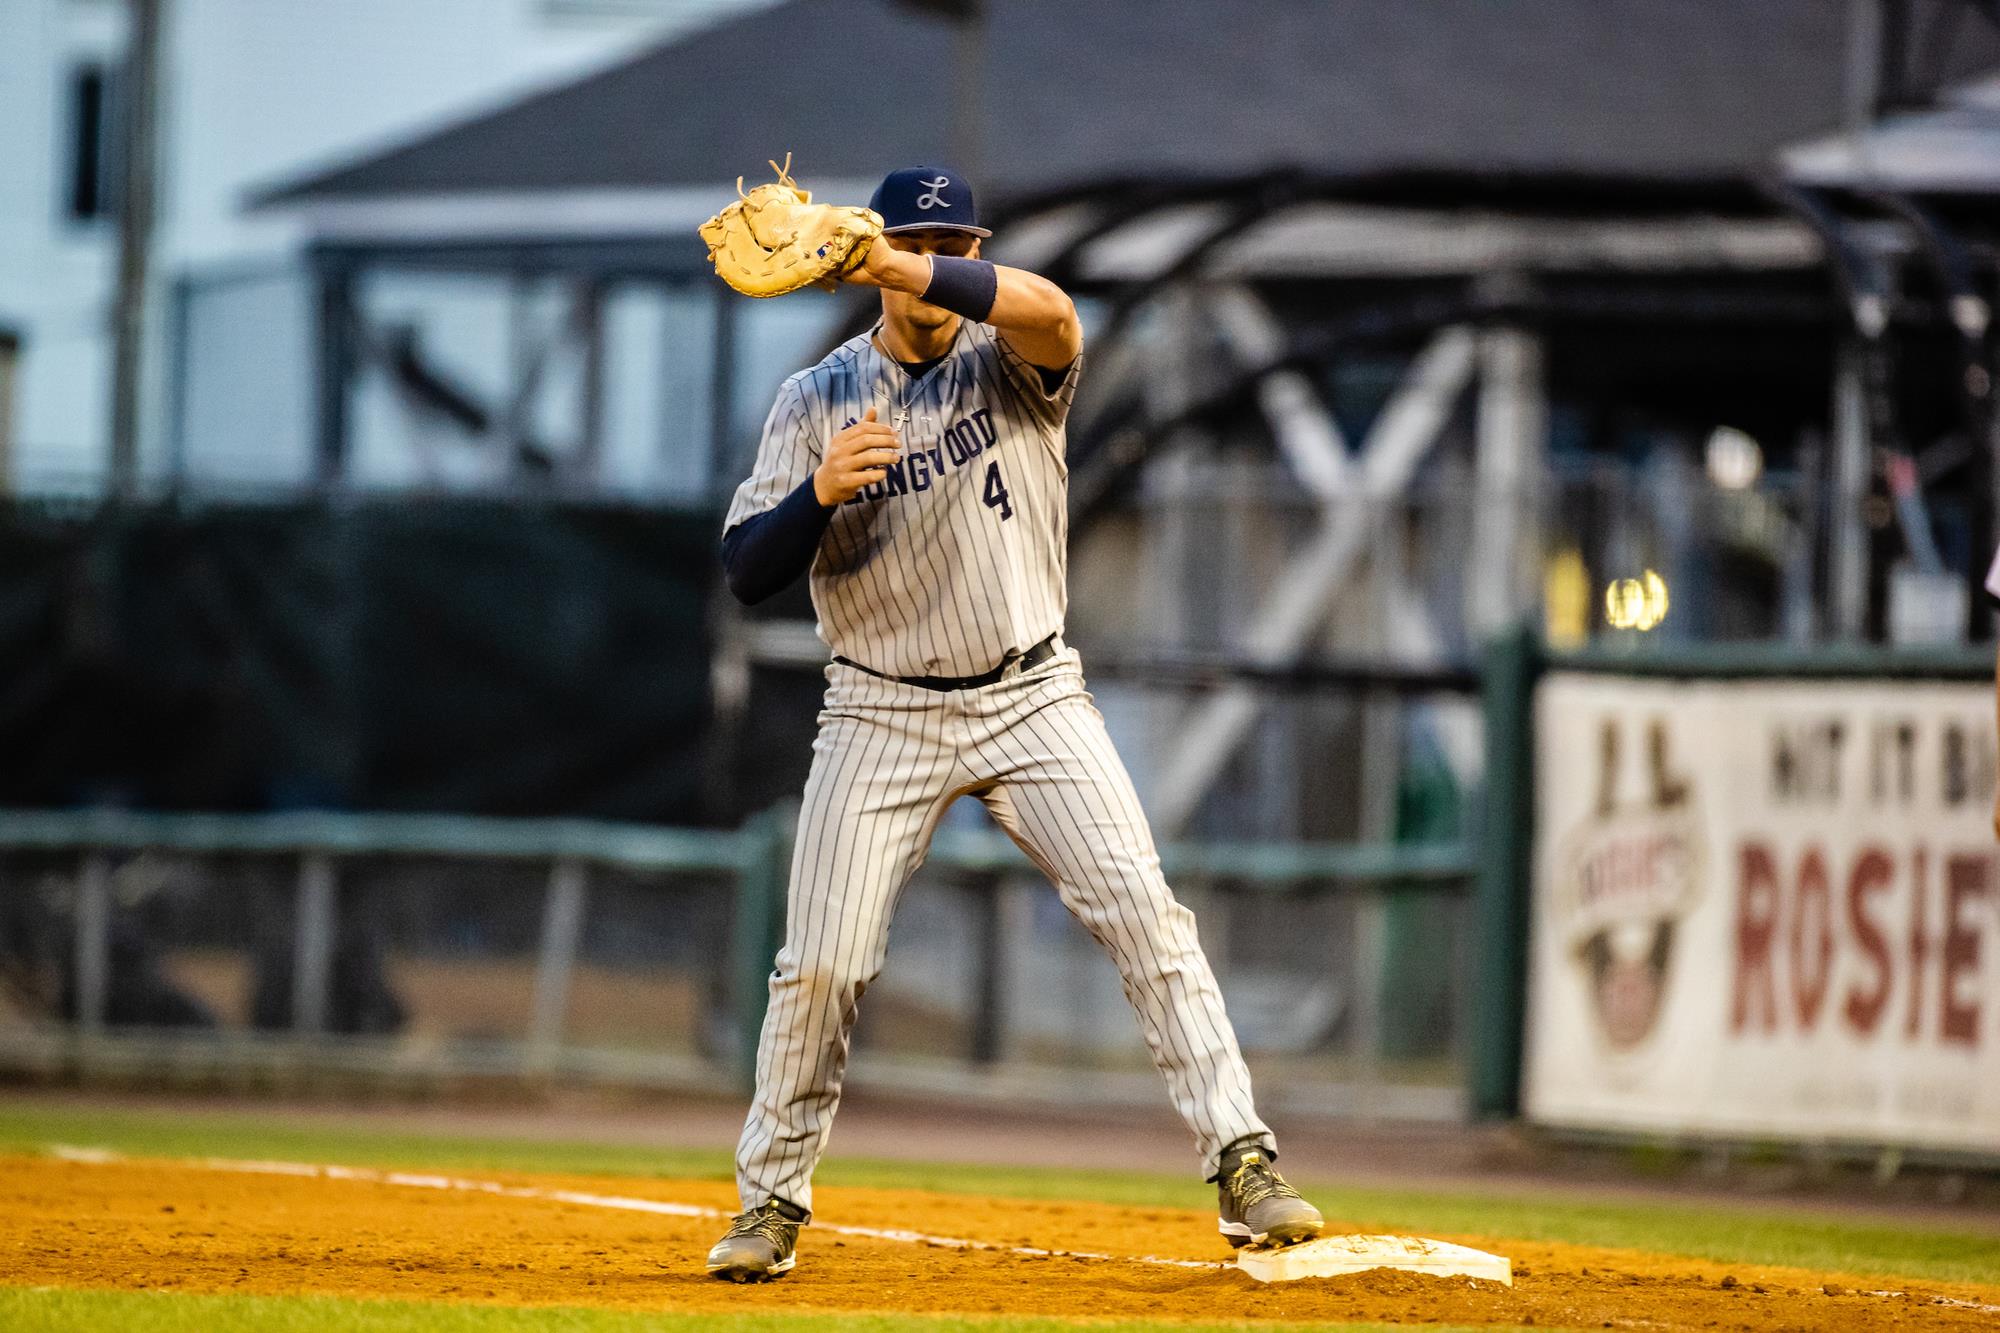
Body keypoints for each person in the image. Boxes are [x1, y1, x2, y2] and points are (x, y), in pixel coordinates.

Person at [706, 165, 1322, 1283]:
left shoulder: (1015, 360)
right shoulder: (813, 401)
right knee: (823, 968)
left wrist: (897, 258)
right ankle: (769, 1203)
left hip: (1030, 693)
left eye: (952, 239)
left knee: (1145, 915)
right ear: (873, 249)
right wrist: (819, 494)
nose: (933, 257)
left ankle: (1241, 1158)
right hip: (879, 706)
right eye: (914, 239)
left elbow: (1052, 312)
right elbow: (746, 569)